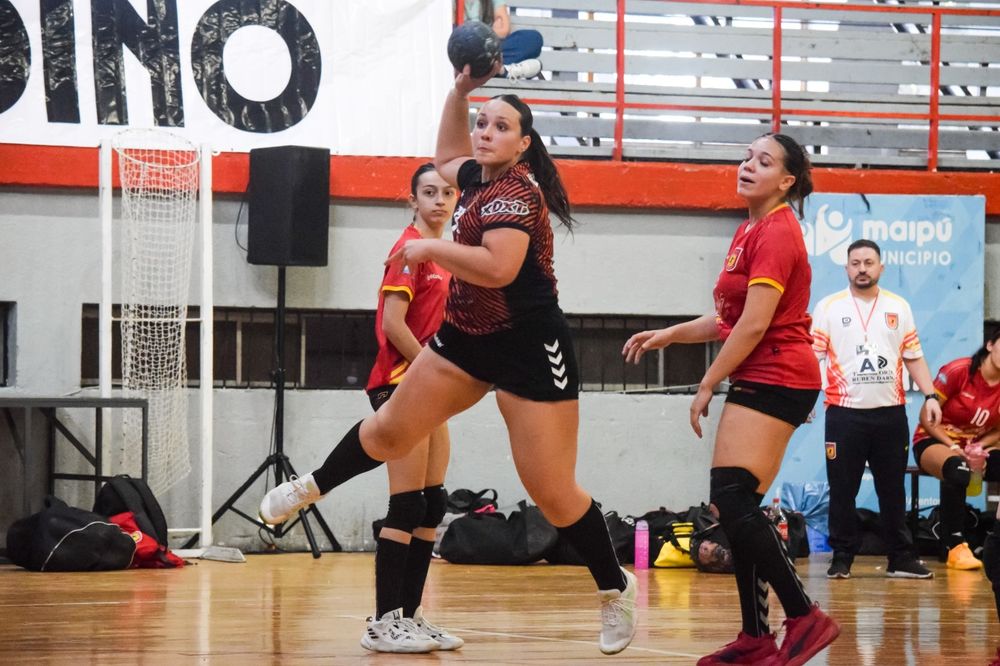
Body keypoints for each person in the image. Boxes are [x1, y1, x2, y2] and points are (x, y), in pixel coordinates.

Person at [259, 61, 638, 655]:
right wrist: (459, 91)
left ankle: (614, 587)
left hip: (529, 350)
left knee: (552, 491)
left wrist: (430, 246)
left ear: (524, 143)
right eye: (481, 123)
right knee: (389, 432)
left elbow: (498, 268)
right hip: (466, 338)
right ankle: (311, 485)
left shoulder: (517, 193)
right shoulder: (475, 177)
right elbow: (442, 155)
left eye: (500, 126)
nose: (485, 132)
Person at [624, 133, 839, 666]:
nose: (748, 165)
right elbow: (729, 319)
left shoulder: (778, 232)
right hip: (768, 372)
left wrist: (706, 382)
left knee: (734, 499)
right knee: (737, 503)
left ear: (787, 180)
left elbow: (756, 324)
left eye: (763, 161)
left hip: (778, 372)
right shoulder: (750, 228)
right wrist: (672, 333)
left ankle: (804, 616)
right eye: (746, 157)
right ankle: (756, 637)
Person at [356, 163, 462, 652]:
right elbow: (394, 325)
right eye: (429, 192)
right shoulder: (408, 250)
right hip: (400, 385)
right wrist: (431, 372)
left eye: (447, 192)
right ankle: (382, 622)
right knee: (405, 503)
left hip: (428, 388)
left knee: (432, 503)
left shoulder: (447, 254)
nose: (439, 200)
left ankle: (412, 616)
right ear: (413, 199)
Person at [811, 239, 942, 580]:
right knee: (842, 489)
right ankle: (841, 557)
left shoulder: (899, 306)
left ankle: (900, 556)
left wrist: (930, 395)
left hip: (890, 414)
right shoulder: (828, 307)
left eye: (869, 262)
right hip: (843, 414)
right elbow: (813, 358)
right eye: (855, 263)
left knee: (892, 489)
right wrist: (806, 399)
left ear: (881, 267)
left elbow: (913, 356)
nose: (862, 269)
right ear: (846, 268)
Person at [914, 327, 1000, 571]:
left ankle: (993, 540)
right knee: (958, 469)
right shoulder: (959, 371)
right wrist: (953, 445)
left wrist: (980, 447)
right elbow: (926, 417)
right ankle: (954, 546)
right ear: (991, 345)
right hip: (935, 440)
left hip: (974, 446)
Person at [460, 0, 543, 80]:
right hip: (464, 51)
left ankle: (492, 69)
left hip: (489, 48)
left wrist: (477, 35)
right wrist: (489, 30)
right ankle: (503, 71)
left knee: (534, 38)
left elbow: (504, 30)